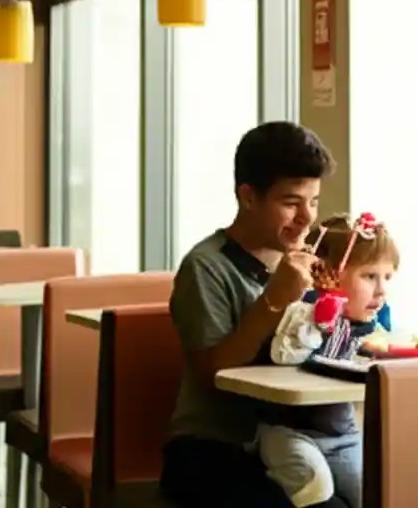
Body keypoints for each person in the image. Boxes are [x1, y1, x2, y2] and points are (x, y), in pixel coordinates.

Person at [160, 122, 338, 507]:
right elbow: (212, 373)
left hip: (299, 441)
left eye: (315, 201)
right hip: (214, 448)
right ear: (249, 197)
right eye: (291, 203)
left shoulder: (312, 263)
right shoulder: (206, 267)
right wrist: (274, 299)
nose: (307, 218)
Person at [259, 213, 397, 508]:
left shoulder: (367, 326)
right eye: (369, 276)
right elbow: (285, 355)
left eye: (387, 277)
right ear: (328, 275)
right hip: (287, 432)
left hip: (341, 432)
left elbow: (376, 348)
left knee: (374, 494)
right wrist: (319, 321)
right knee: (314, 485)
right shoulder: (302, 313)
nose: (382, 289)